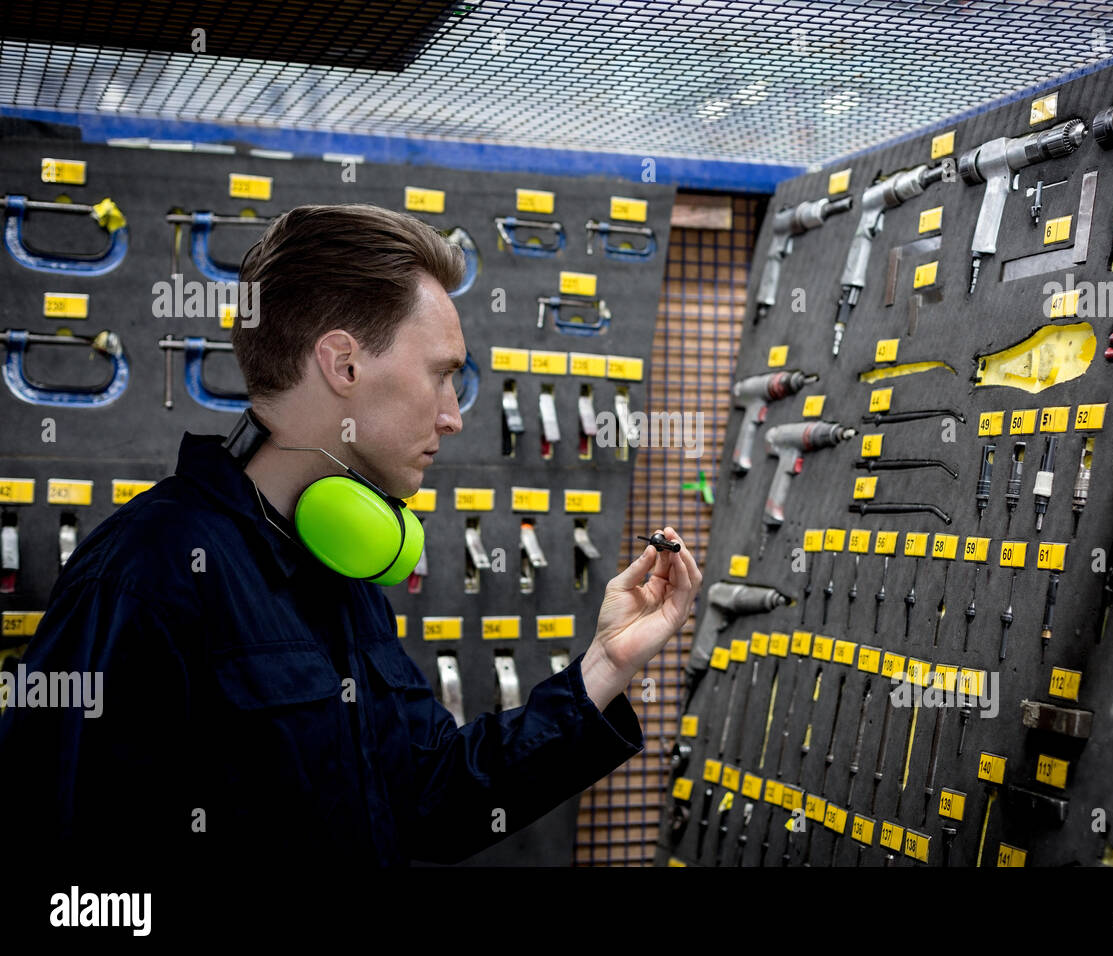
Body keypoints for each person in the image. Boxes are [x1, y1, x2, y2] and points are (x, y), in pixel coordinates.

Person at [0, 203, 702, 868]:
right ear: (343, 365)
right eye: (442, 376)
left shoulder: (338, 566)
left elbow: (432, 799)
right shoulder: (144, 577)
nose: (454, 417)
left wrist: (603, 668)